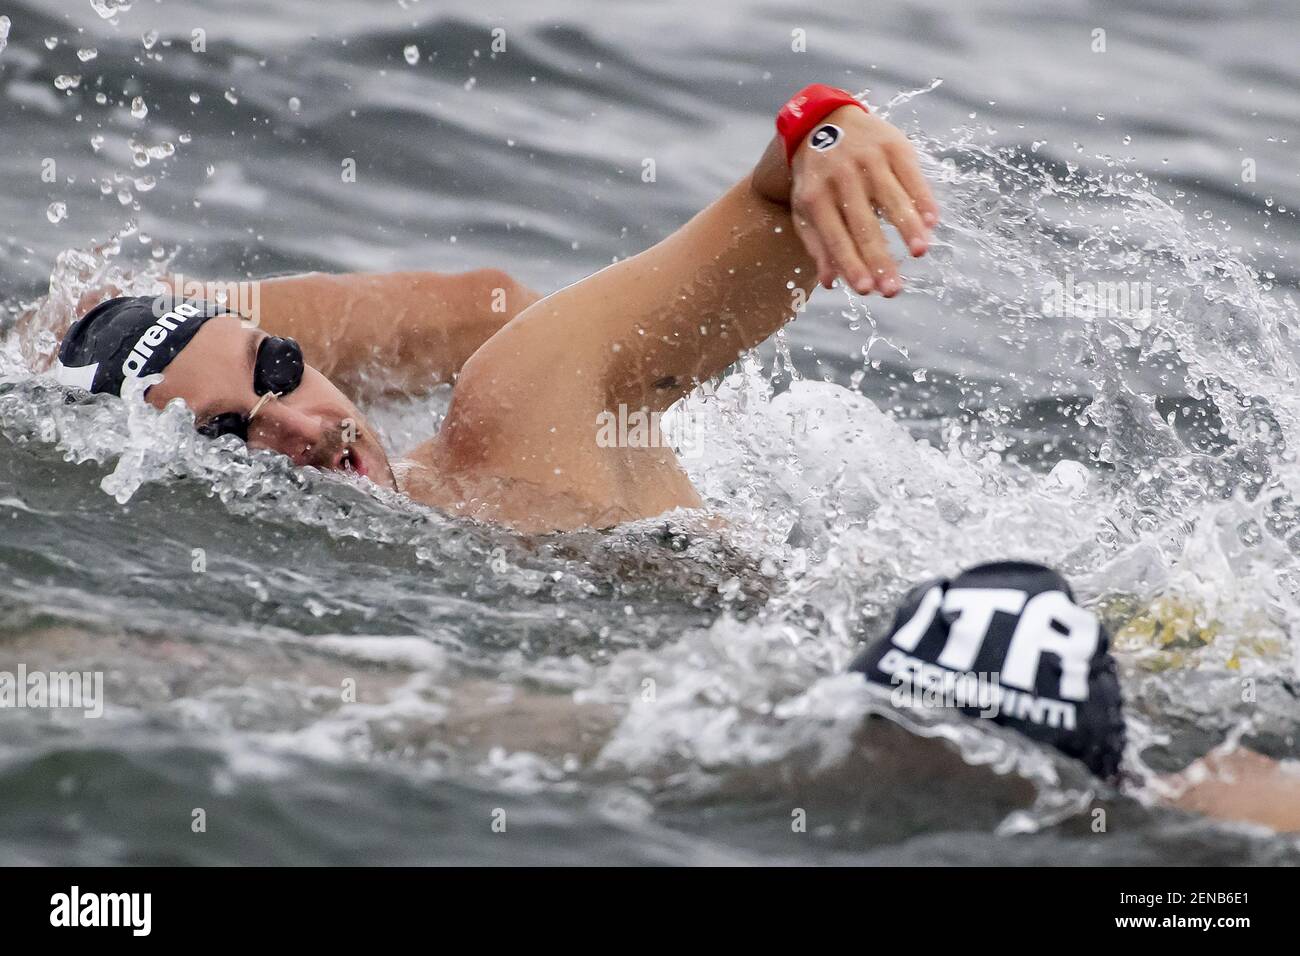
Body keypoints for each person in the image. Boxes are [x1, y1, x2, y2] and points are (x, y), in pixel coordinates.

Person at [45, 83, 937, 533]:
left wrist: (825, 133)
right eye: (224, 433)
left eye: (278, 367)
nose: (305, 432)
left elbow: (775, 201)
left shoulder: (517, 416)